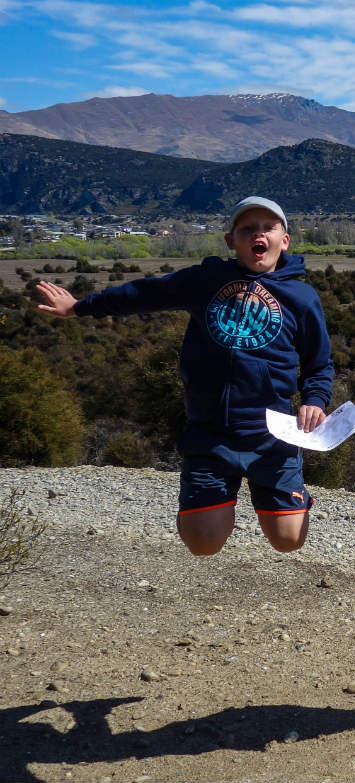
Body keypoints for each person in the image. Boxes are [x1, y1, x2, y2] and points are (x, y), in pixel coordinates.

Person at [36, 196, 333, 556]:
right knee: (202, 544)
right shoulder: (207, 280)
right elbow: (146, 293)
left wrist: (315, 401)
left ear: (284, 240)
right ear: (231, 241)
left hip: (272, 436)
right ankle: (209, 509)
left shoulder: (301, 297)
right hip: (210, 434)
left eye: (268, 228)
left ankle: (293, 499)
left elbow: (318, 363)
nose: (258, 234)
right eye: (247, 229)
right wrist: (82, 307)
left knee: (288, 540)